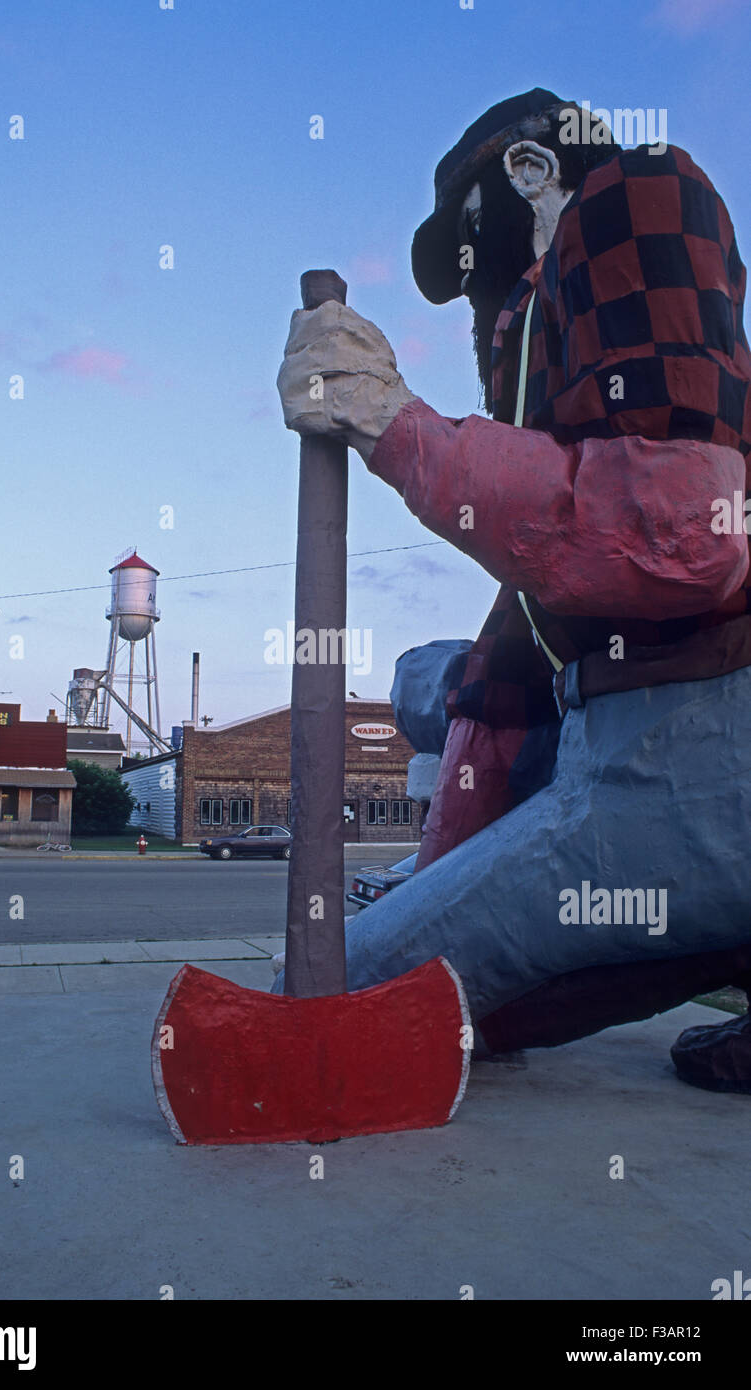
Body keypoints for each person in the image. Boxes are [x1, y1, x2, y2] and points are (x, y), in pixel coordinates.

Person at [276, 89, 751, 1092]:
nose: (479, 295)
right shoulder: (538, 330)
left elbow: (676, 529)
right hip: (631, 732)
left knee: (336, 989)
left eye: (475, 252)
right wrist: (451, 865)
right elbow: (518, 650)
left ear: (532, 176)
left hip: (693, 740)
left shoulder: (635, 192)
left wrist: (392, 425)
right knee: (478, 1010)